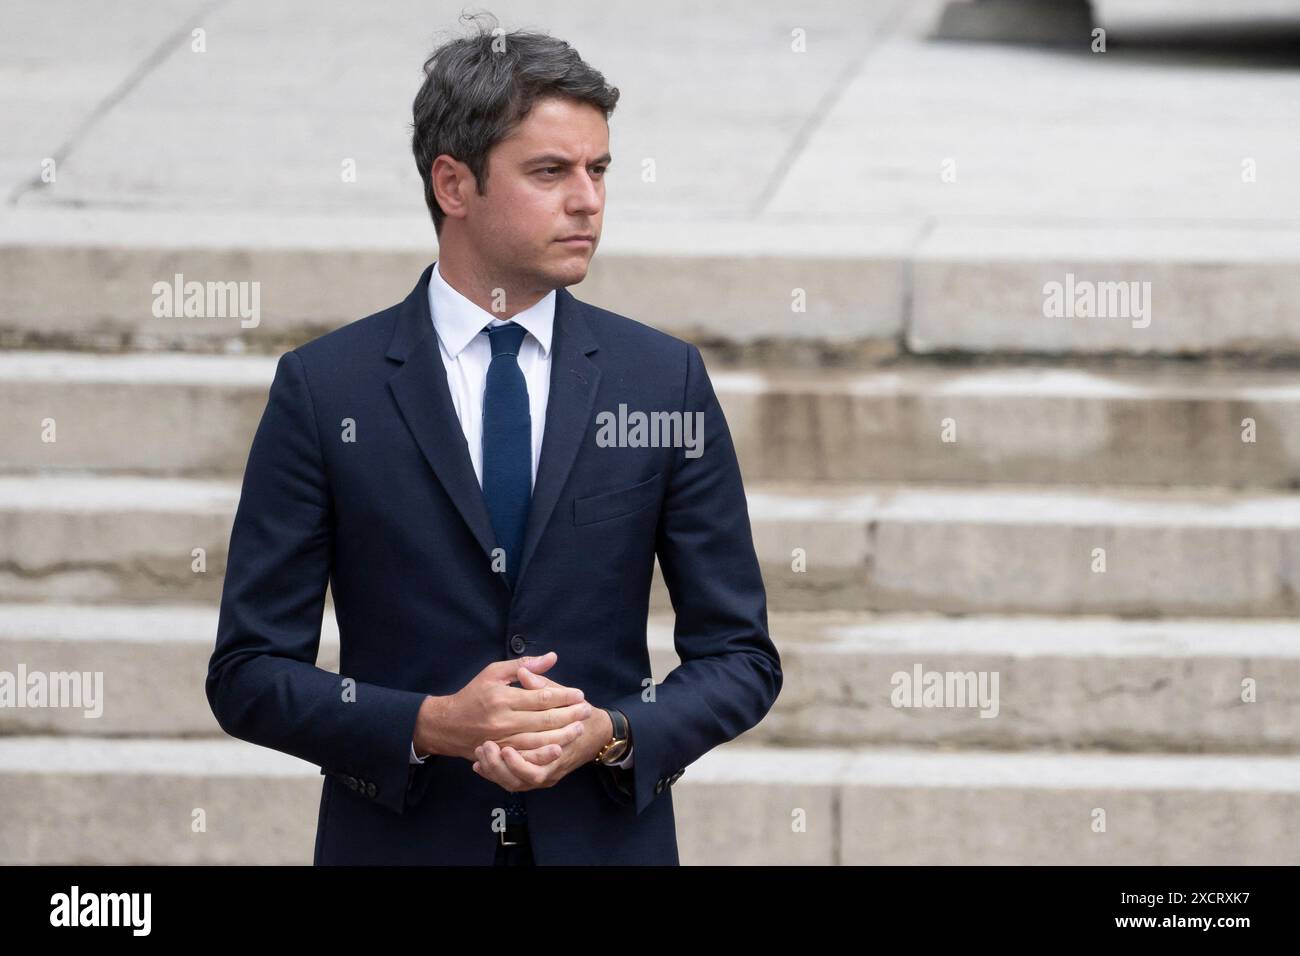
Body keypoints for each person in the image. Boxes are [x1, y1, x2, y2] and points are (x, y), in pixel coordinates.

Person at [206, 14, 781, 866]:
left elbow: (740, 656)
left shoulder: (663, 381)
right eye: (550, 171)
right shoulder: (327, 389)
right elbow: (248, 672)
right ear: (453, 184)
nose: (587, 199)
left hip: (604, 843)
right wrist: (430, 724)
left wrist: (614, 732)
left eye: (599, 169)